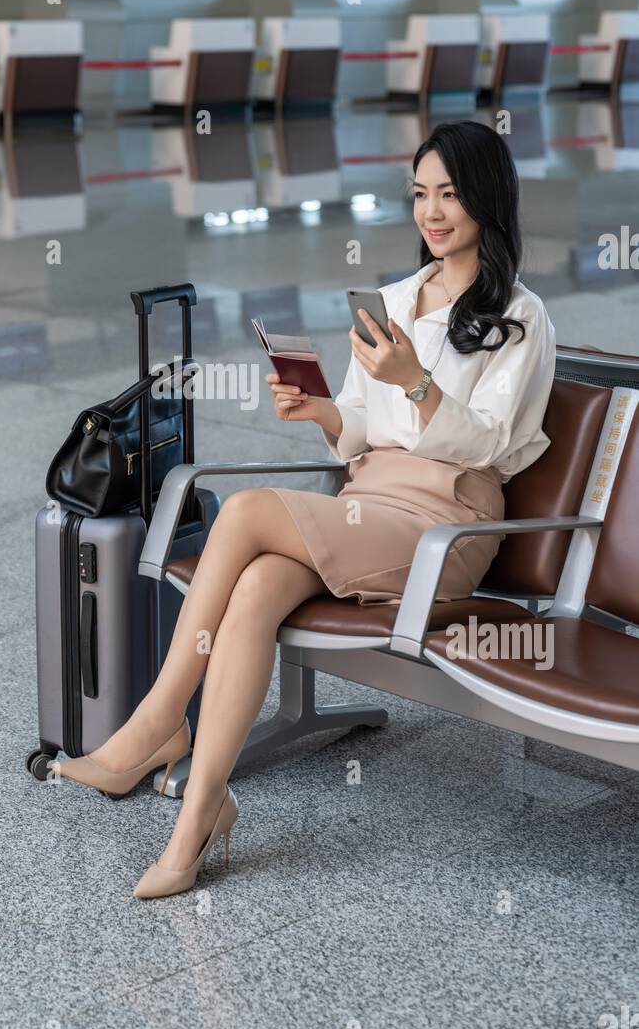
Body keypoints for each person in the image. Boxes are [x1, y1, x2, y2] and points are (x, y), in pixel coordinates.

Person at [50, 119, 557, 900]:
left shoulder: (520, 319)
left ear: (487, 198)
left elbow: (489, 445)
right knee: (252, 591)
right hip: (368, 499)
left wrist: (417, 379)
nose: (432, 212)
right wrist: (320, 413)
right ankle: (200, 816)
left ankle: (156, 725)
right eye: (420, 194)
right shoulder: (391, 299)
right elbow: (359, 426)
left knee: (249, 510)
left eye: (450, 194)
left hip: (446, 520)